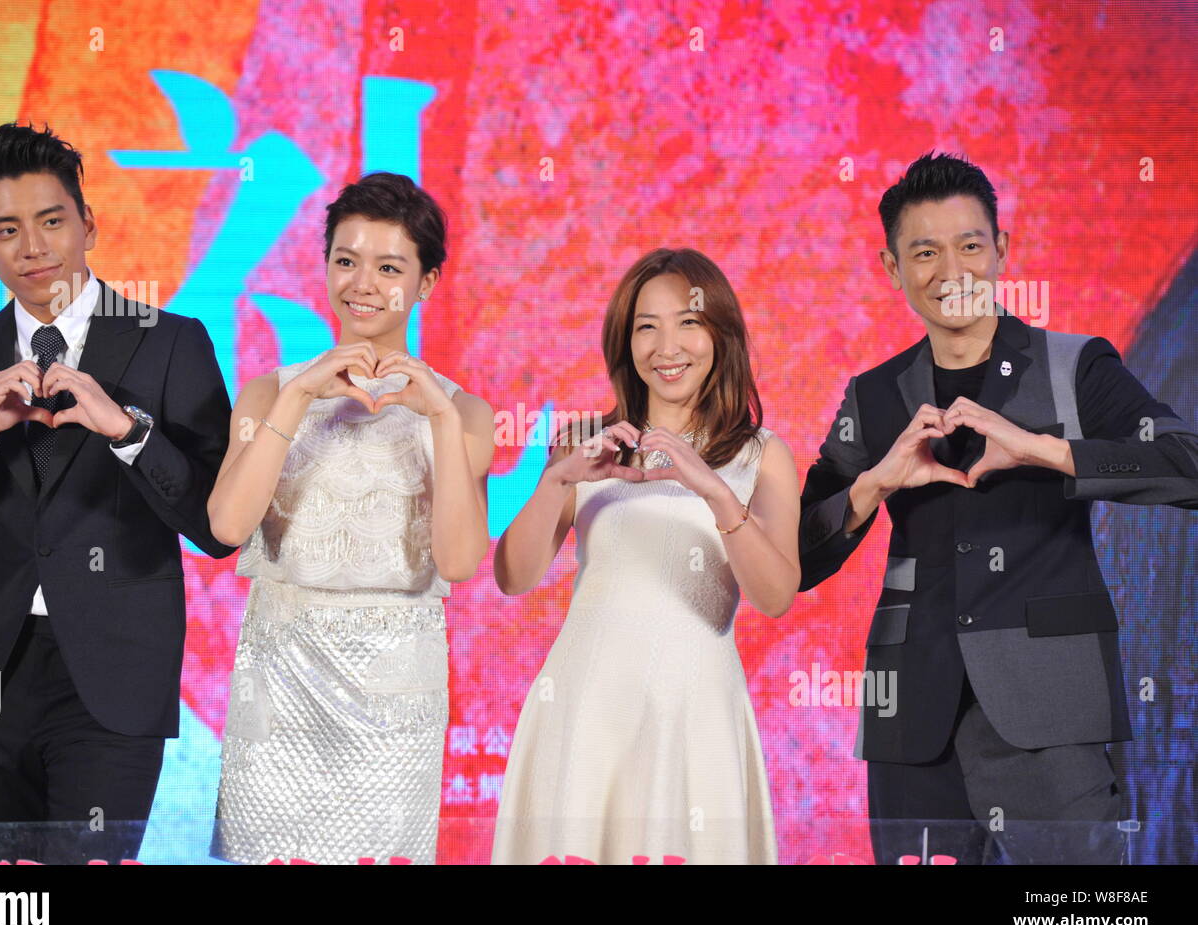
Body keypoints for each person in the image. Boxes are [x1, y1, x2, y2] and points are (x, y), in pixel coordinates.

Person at [798, 151, 1198, 865]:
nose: (951, 269)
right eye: (924, 251)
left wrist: (1045, 450)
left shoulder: (1076, 367)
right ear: (893, 268)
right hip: (911, 724)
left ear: (1002, 251)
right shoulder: (874, 394)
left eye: (970, 245)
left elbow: (1187, 464)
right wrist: (877, 481)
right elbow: (798, 556)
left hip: (1053, 721)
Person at [0, 123, 236, 864]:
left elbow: (219, 525)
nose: (34, 247)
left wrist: (129, 432)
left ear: (89, 224)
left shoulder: (170, 341)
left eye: (52, 221)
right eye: (7, 229)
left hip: (115, 681)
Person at [207, 172, 493, 865]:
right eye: (346, 260)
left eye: (389, 267)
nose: (362, 283)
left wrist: (440, 418)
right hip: (278, 691)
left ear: (426, 283)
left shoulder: (463, 412)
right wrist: (298, 394)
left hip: (395, 697)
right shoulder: (272, 390)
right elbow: (226, 524)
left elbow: (457, 561)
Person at [491, 248, 798, 864]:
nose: (668, 346)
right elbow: (513, 577)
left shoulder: (763, 456)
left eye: (688, 321)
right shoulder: (586, 444)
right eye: (646, 326)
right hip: (587, 705)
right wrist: (557, 481)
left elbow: (776, 595)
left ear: (720, 333)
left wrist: (710, 487)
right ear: (625, 341)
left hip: (695, 708)